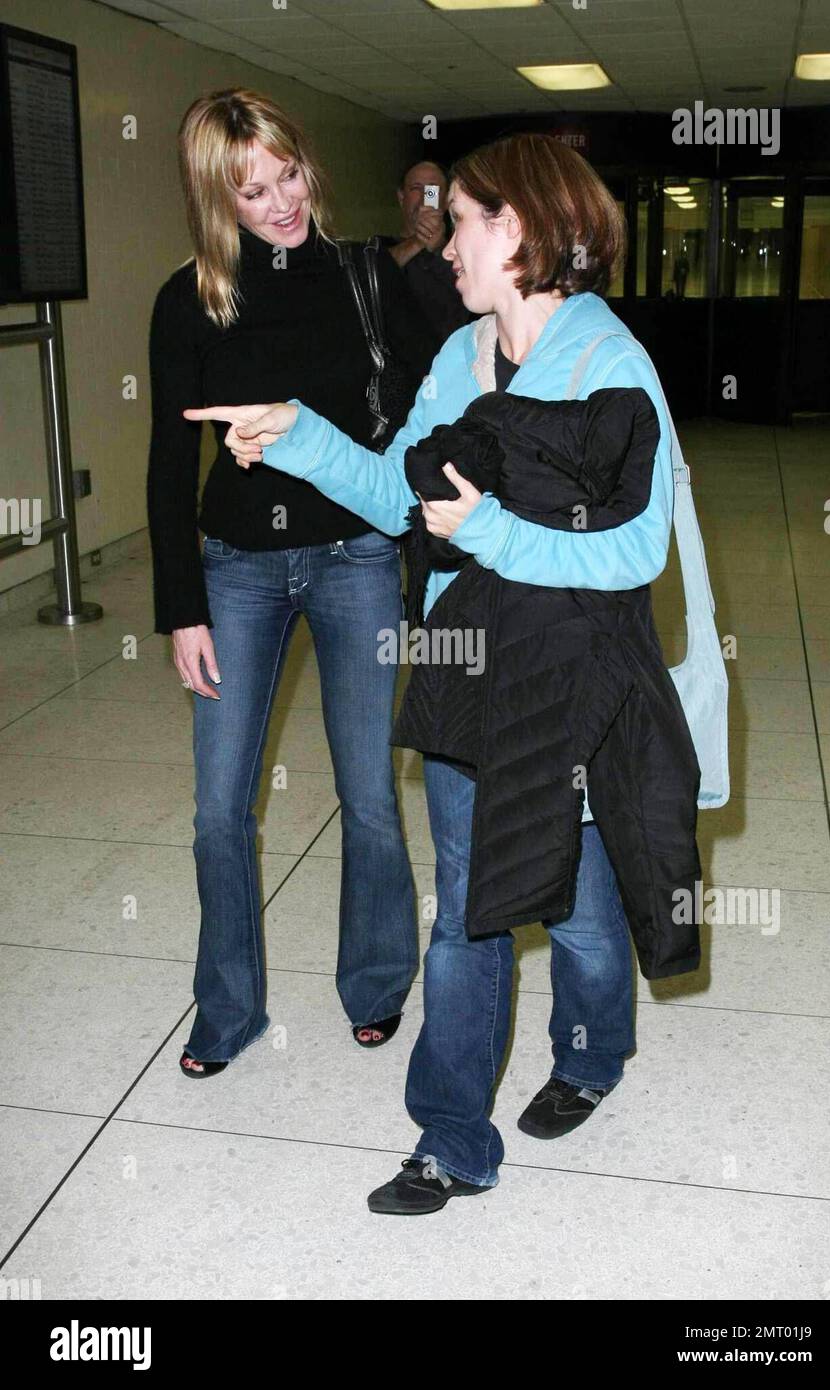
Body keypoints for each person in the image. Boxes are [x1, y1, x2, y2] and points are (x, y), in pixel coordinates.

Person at [186, 133, 717, 1212]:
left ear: (515, 230)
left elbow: (630, 553)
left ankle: (591, 1052)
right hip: (468, 662)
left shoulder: (611, 365)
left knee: (571, 907)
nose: (440, 239)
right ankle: (451, 1137)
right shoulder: (460, 356)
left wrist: (496, 532)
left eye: (459, 218)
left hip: (571, 676)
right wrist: (293, 434)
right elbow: (394, 495)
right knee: (469, 906)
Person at [147, 88, 434, 1078]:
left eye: (287, 176)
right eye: (251, 191)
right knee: (219, 806)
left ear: (306, 162)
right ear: (215, 200)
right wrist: (179, 605)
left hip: (355, 554)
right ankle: (225, 1007)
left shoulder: (364, 278)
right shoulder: (188, 298)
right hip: (236, 567)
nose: (279, 203)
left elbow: (417, 408)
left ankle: (377, 978)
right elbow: (163, 463)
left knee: (366, 789)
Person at [378, 159, 474, 363]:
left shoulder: (463, 254)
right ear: (401, 197)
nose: (424, 198)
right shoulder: (378, 247)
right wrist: (418, 242)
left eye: (432, 190)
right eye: (415, 188)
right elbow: (375, 273)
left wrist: (437, 250)